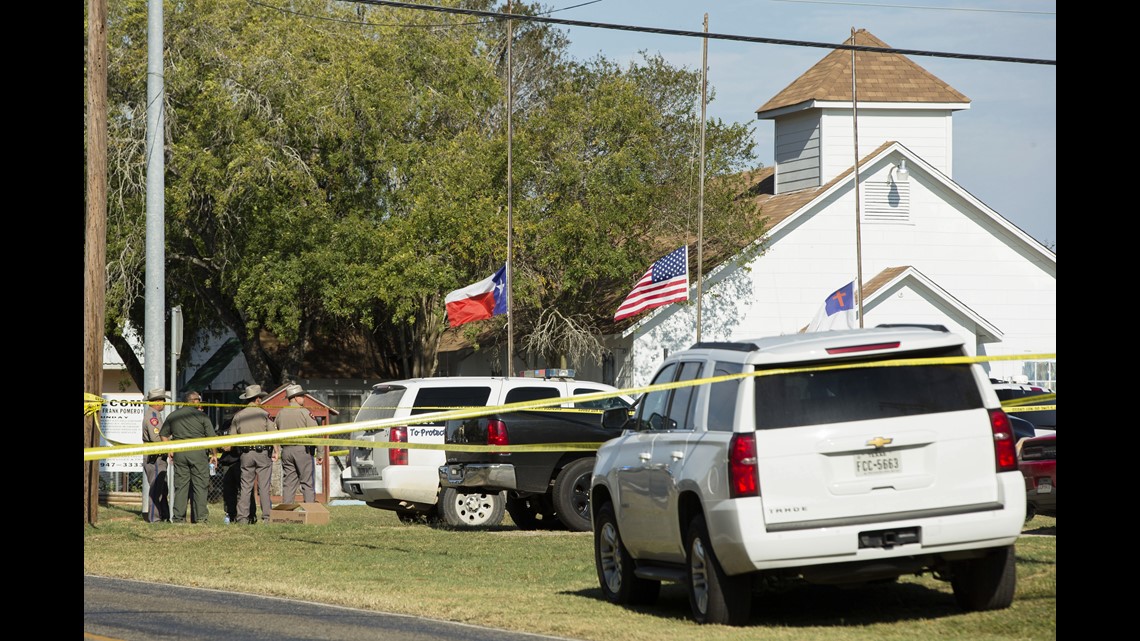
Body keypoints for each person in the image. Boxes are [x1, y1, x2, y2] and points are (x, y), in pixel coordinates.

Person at [160, 390, 218, 523]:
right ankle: (201, 518)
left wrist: (170, 449)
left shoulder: (173, 415)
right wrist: (214, 454)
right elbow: (212, 438)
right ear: (194, 401)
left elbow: (163, 434)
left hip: (180, 453)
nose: (200, 402)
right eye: (199, 399)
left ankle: (178, 518)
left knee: (181, 487)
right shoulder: (202, 416)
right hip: (198, 454)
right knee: (200, 486)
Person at [231, 384, 279, 524]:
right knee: (264, 487)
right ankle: (267, 518)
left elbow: (232, 438)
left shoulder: (238, 416)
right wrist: (276, 450)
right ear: (257, 399)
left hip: (245, 454)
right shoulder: (264, 414)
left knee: (246, 487)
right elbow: (273, 434)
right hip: (262, 453)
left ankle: (243, 518)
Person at [276, 384, 322, 503]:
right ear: (296, 398)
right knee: (307, 482)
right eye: (302, 396)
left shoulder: (280, 413)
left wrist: (276, 449)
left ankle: (286, 512)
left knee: (289, 483)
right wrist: (320, 452)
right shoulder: (304, 412)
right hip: (302, 451)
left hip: (286, 451)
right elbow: (316, 433)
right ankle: (310, 510)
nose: (304, 398)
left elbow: (274, 432)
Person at [216, 410, 255, 524]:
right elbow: (218, 439)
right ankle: (231, 514)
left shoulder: (244, 424)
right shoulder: (225, 425)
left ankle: (250, 515)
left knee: (245, 490)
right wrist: (221, 446)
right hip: (227, 463)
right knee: (229, 491)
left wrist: (232, 446)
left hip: (240, 461)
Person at [140, 388, 170, 523]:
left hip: (158, 456)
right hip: (155, 456)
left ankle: (163, 515)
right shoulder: (153, 417)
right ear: (158, 401)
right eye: (163, 400)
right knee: (156, 488)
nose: (164, 403)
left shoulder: (155, 414)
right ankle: (154, 518)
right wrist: (169, 443)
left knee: (163, 488)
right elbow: (156, 438)